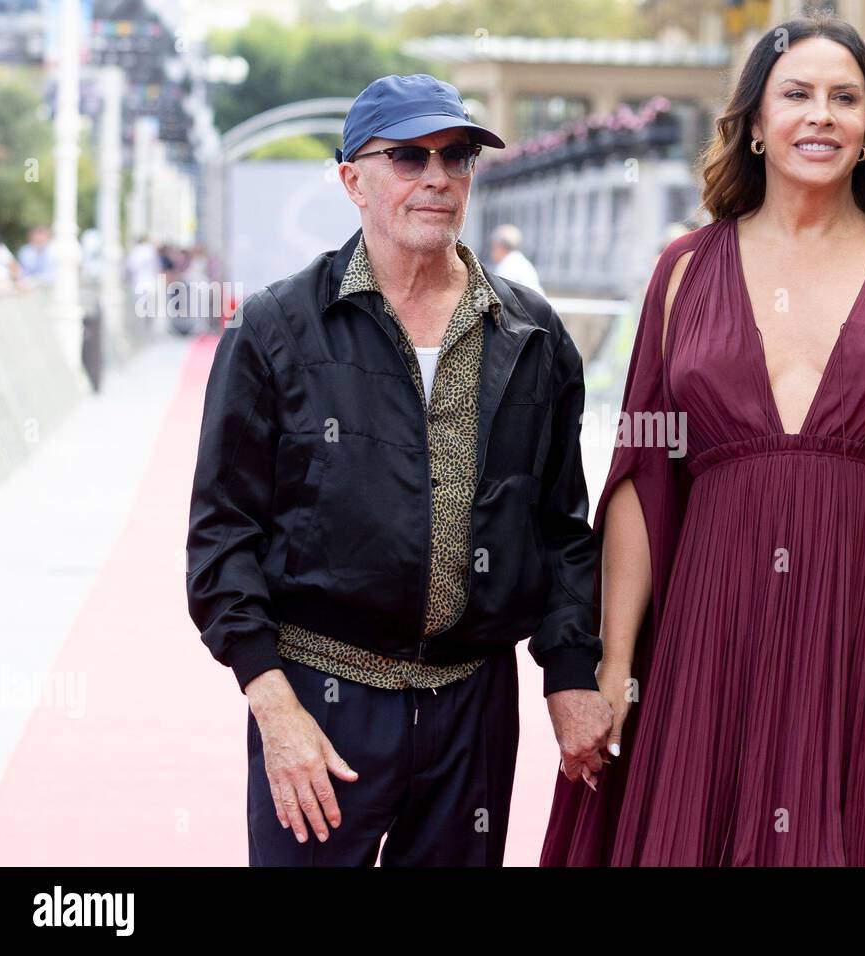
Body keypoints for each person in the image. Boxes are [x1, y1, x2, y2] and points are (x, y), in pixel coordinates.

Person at [541, 13, 865, 866]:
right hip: (716, 624)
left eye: (846, 98)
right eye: (796, 94)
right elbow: (642, 482)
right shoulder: (686, 270)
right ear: (755, 123)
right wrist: (615, 659)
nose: (821, 116)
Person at [186, 73, 605, 866]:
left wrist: (571, 673)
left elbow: (561, 529)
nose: (438, 177)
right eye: (409, 157)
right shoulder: (276, 328)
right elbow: (222, 535)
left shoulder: (531, 332)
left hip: (473, 708)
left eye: (457, 157)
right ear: (353, 179)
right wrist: (273, 706)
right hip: (322, 697)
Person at [488, 223, 544, 295]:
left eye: (493, 246)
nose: (491, 251)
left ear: (500, 247)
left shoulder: (508, 266)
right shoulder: (518, 261)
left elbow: (500, 295)